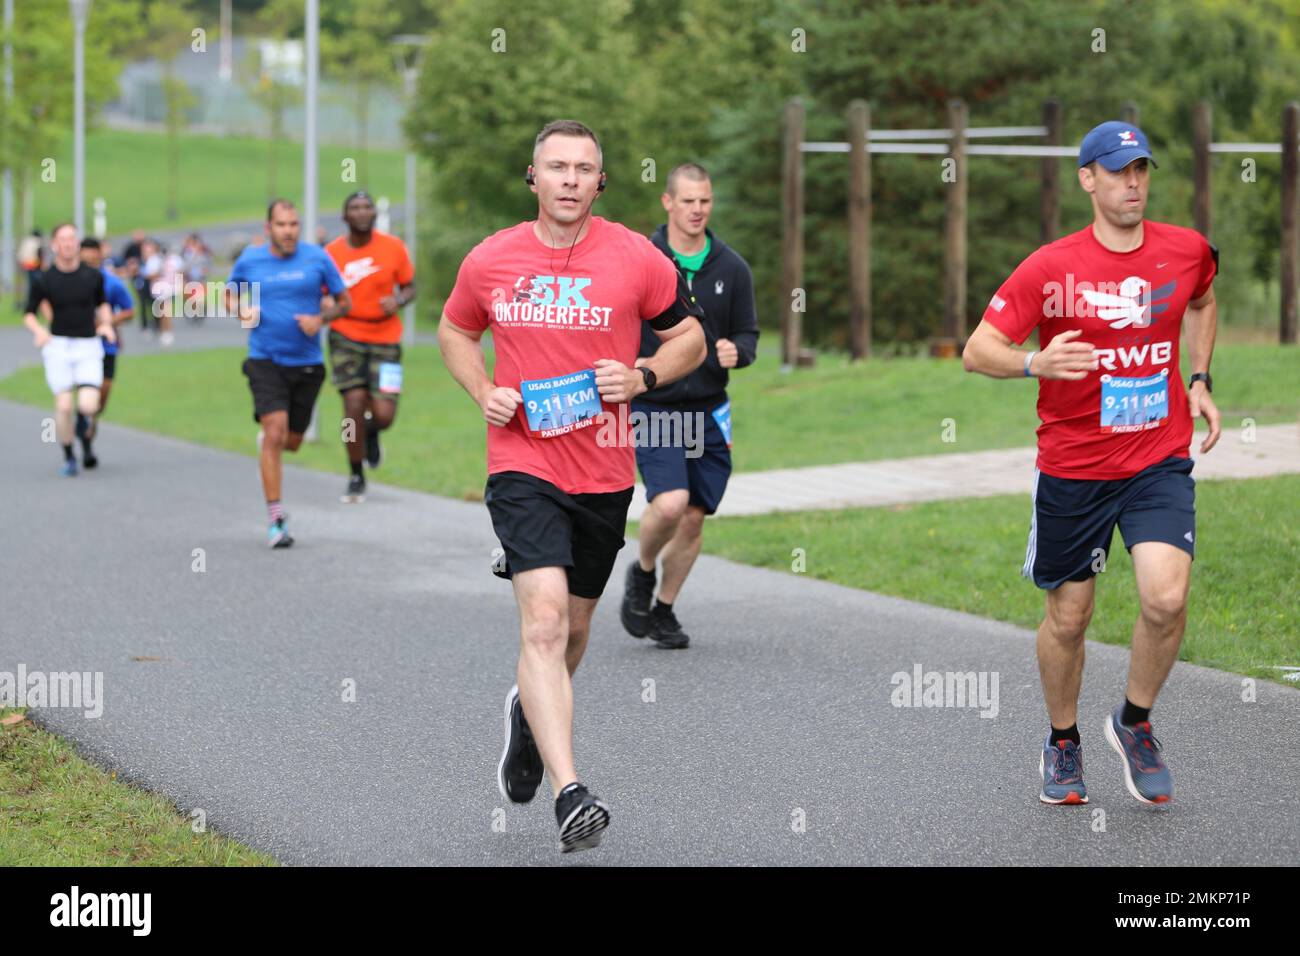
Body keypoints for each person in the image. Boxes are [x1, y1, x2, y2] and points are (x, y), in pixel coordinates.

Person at [438, 120, 705, 852]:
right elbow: (455, 329)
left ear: (600, 182)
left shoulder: (636, 258)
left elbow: (690, 337)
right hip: (521, 461)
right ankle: (571, 792)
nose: (569, 179)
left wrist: (643, 374)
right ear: (533, 178)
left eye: (583, 168)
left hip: (604, 469)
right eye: (556, 166)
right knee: (546, 623)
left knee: (575, 629)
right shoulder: (492, 259)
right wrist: (482, 389)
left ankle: (529, 716)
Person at [962, 121, 1220, 807]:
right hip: (1074, 466)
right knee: (1070, 618)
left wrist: (1201, 380)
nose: (1132, 183)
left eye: (1141, 170)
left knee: (1165, 598)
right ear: (1088, 180)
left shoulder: (1185, 250)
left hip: (1157, 458)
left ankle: (1133, 722)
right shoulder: (1051, 268)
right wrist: (1032, 362)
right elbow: (976, 347)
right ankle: (1064, 739)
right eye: (1117, 171)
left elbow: (1202, 299)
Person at [619, 163, 759, 649]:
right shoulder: (643, 259)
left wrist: (737, 352)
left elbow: (748, 334)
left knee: (696, 515)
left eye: (705, 201)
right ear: (668, 203)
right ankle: (641, 570)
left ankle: (664, 610)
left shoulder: (732, 268)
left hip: (708, 408)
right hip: (655, 404)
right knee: (671, 503)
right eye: (689, 200)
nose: (698, 209)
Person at [226, 199, 350, 548]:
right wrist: (241, 309)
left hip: (307, 364)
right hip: (265, 359)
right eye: (281, 225)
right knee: (275, 431)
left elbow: (345, 303)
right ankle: (276, 519)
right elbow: (229, 295)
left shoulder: (317, 257)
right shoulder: (251, 259)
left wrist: (321, 319)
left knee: (292, 441)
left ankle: (272, 441)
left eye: (294, 224)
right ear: (269, 229)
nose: (289, 231)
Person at [324, 190, 417, 502]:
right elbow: (321, 292)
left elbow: (410, 287)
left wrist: (399, 299)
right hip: (345, 334)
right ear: (345, 216)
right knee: (352, 404)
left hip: (386, 338)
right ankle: (355, 473)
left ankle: (372, 430)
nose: (362, 212)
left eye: (367, 207)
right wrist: (323, 306)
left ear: (374, 215)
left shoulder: (393, 248)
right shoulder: (332, 254)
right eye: (355, 208)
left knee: (385, 413)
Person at [21, 223, 114, 476]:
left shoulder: (93, 276)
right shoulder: (44, 279)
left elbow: (102, 305)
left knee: (88, 405)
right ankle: (69, 456)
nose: (68, 243)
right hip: (59, 345)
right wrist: (40, 332)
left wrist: (106, 325)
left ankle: (85, 439)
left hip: (87, 344)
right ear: (54, 245)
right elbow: (28, 314)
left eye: (72, 238)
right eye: (63, 239)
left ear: (77, 244)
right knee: (63, 407)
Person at [74, 238, 135, 465]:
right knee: (85, 393)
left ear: (100, 256)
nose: (89, 262)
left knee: (102, 393)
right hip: (79, 346)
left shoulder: (111, 282)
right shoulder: (72, 281)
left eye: (93, 258)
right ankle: (85, 443)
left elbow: (129, 310)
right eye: (85, 258)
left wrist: (107, 322)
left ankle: (90, 420)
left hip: (106, 346)